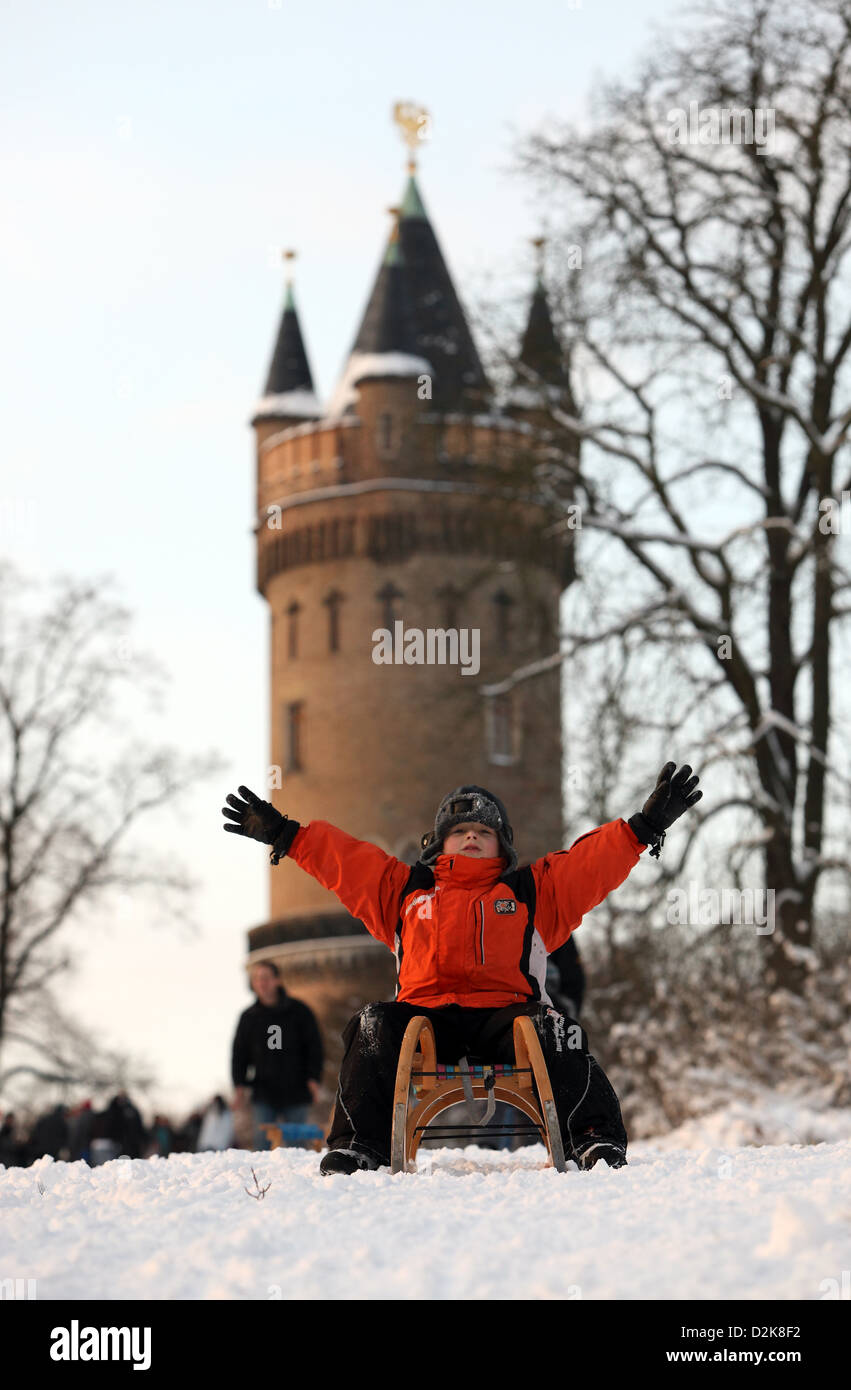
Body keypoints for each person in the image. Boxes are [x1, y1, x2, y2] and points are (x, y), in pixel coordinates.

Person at [222, 762, 702, 1176]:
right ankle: (359, 1145)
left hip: (508, 1018)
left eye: (484, 831)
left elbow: (588, 864)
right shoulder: (405, 891)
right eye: (460, 831)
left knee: (557, 1029)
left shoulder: (532, 893)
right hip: (425, 1019)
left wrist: (642, 827)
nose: (472, 835)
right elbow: (346, 862)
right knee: (372, 1023)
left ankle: (593, 1137)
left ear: (502, 847)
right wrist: (286, 834)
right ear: (439, 844)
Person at [231, 960, 324, 1151]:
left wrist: (314, 1078)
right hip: (264, 1091)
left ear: (277, 980)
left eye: (265, 978)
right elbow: (239, 1053)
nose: (261, 983)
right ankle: (263, 1182)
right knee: (262, 1146)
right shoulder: (249, 1017)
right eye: (257, 979)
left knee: (296, 1147)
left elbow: (314, 1047)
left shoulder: (300, 1011)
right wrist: (239, 1085)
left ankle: (297, 1181)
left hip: (296, 1089)